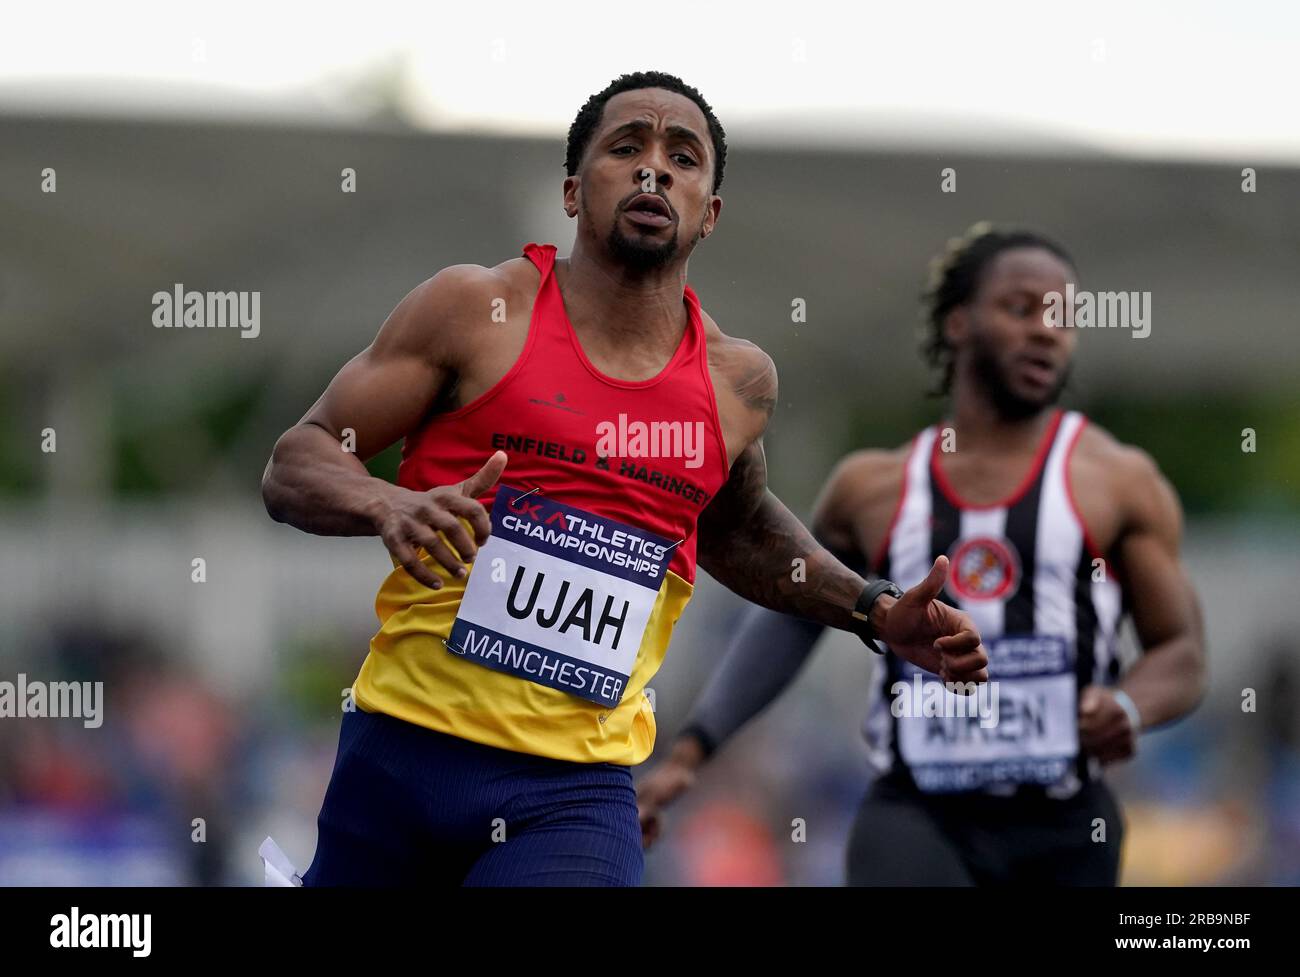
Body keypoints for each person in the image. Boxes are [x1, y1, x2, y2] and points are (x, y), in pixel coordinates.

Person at [260, 72, 988, 886]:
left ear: (709, 211)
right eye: (627, 148)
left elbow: (736, 527)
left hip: (575, 787)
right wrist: (385, 502)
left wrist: (873, 608)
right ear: (573, 191)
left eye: (683, 157)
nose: (654, 171)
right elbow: (299, 458)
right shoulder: (472, 311)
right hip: (402, 753)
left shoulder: (736, 383)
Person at [638, 223, 1206, 885]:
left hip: (1066, 825)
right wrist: (692, 746)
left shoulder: (1121, 482)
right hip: (915, 817)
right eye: (1022, 308)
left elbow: (1183, 651)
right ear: (960, 322)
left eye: (1064, 316)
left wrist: (1131, 705)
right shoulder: (872, 488)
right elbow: (794, 613)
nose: (1048, 331)